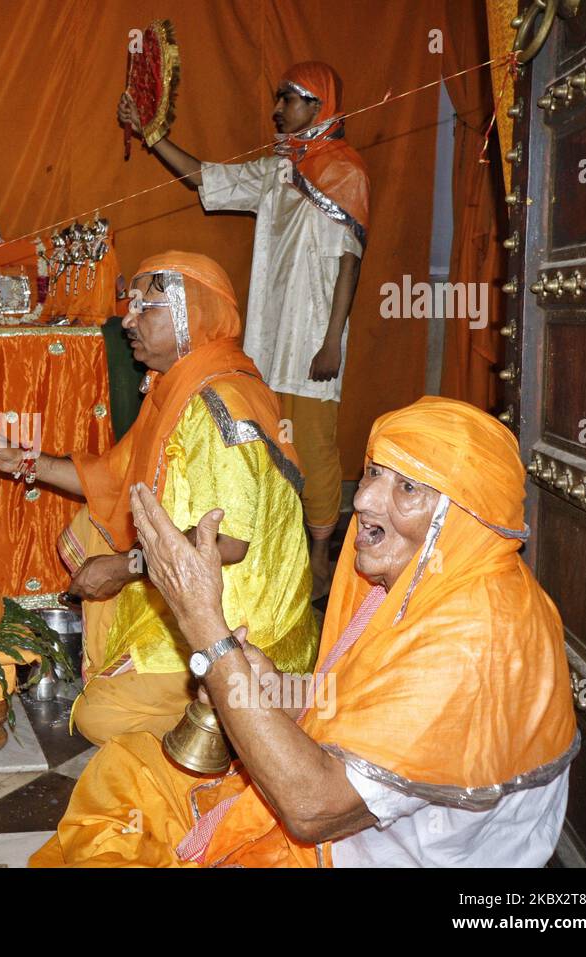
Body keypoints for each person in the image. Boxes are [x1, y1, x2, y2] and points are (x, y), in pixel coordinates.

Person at [31, 397, 578, 867]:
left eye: (407, 487)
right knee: (128, 769)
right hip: (355, 824)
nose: (362, 500)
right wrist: (277, 686)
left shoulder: (473, 637)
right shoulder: (444, 576)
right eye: (373, 472)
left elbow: (314, 809)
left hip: (349, 847)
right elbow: (370, 707)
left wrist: (208, 634)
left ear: (460, 516)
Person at [0, 251, 317, 746]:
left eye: (146, 308)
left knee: (98, 717)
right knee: (92, 524)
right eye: (130, 305)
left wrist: (120, 567)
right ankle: (149, 676)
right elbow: (113, 479)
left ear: (191, 316)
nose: (127, 319)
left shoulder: (216, 402)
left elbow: (226, 543)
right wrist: (25, 461)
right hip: (187, 574)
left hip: (241, 617)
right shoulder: (179, 384)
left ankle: (247, 714)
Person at [119, 61, 369, 598]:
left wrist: (331, 342)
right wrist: (153, 136)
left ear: (319, 104)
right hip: (266, 339)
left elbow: (349, 261)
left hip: (310, 342)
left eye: (289, 99)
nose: (277, 110)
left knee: (314, 449)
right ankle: (275, 558)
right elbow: (210, 177)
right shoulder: (279, 170)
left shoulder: (345, 171)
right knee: (269, 446)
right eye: (278, 99)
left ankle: (321, 559)